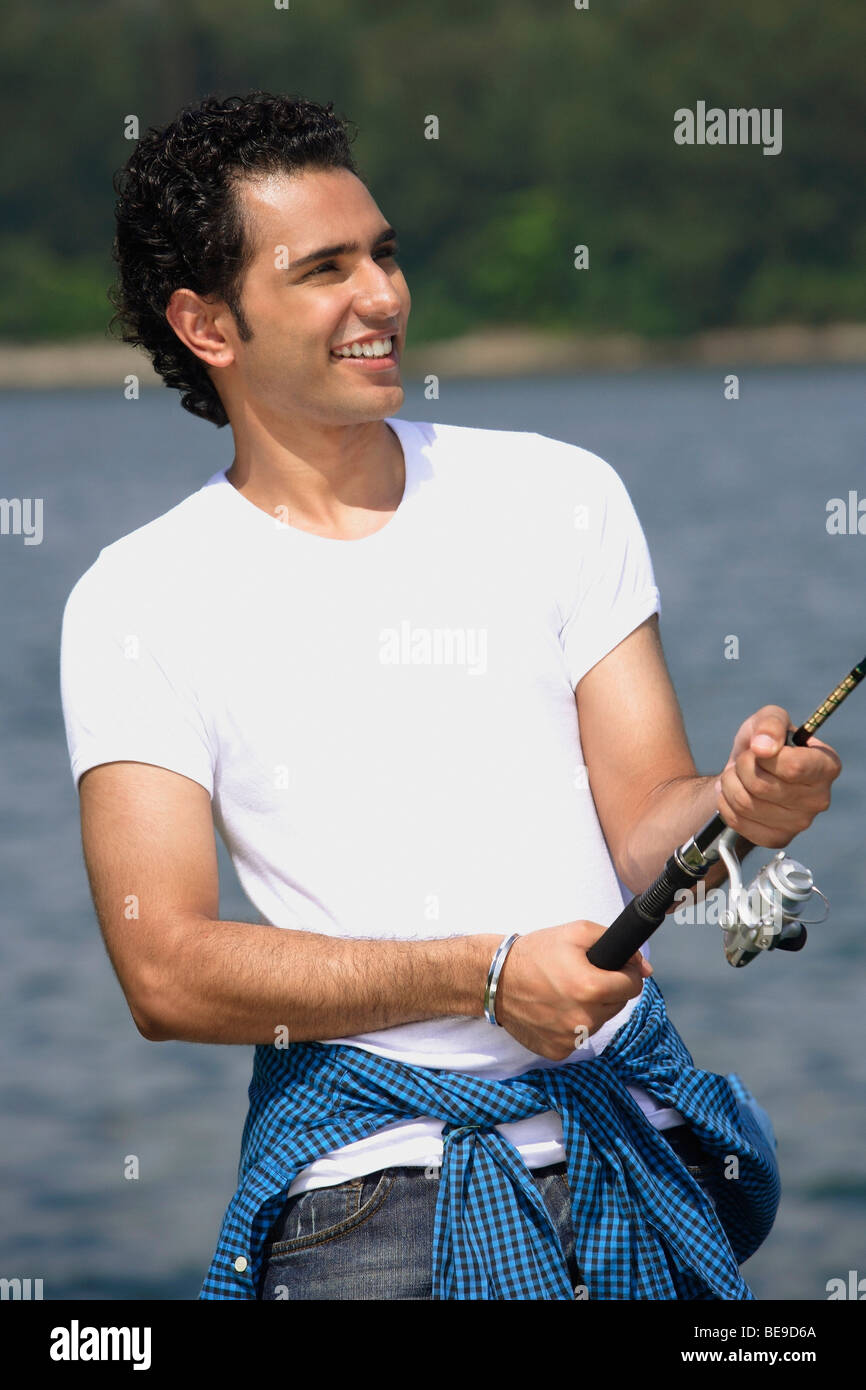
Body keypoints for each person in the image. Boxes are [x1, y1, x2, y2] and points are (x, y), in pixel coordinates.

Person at [60, 91, 841, 1301]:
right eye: (324, 268)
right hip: (372, 1207)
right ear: (204, 321)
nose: (380, 296)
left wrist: (736, 806)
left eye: (383, 251)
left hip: (632, 1146)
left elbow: (645, 819)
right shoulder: (138, 600)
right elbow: (165, 970)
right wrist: (482, 976)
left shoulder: (559, 495)